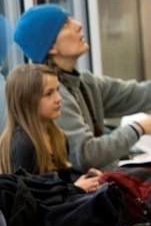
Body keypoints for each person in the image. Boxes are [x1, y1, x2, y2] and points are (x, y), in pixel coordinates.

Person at [11, 4, 151, 170]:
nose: (78, 25)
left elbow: (143, 93)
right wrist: (138, 128)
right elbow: (85, 155)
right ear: (50, 47)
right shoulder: (57, 97)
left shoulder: (84, 82)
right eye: (65, 24)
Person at [0, 64, 101, 192]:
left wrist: (86, 179)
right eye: (49, 94)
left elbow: (62, 182)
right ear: (27, 100)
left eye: (57, 90)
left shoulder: (58, 136)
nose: (58, 99)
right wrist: (75, 189)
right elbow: (30, 197)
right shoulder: (23, 144)